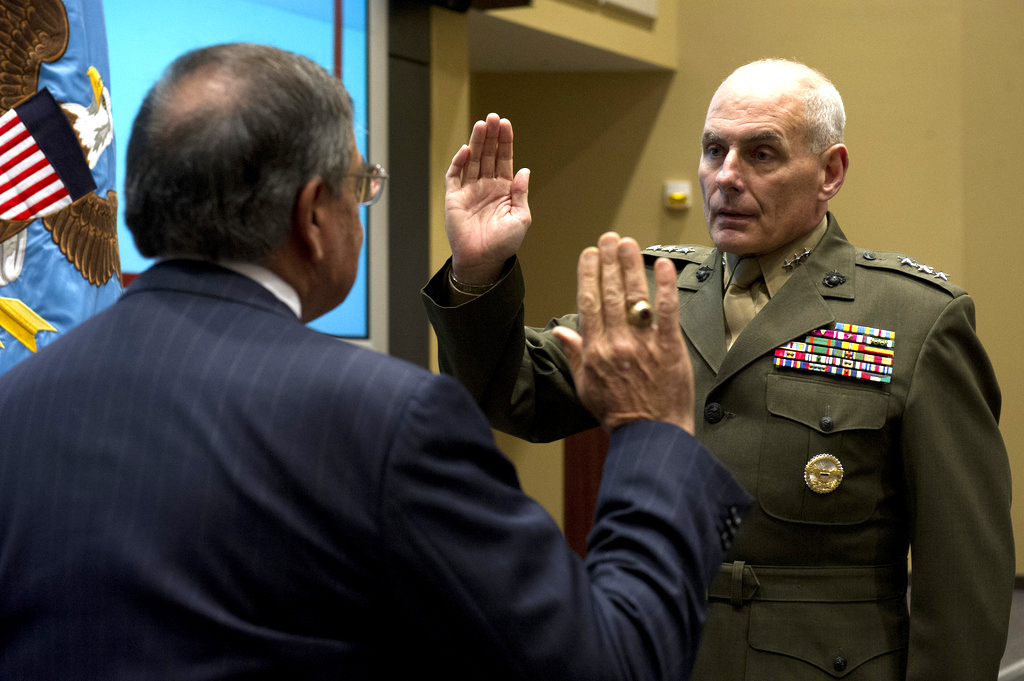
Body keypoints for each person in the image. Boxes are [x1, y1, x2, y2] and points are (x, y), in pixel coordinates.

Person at [0, 43, 751, 680]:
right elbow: (608, 662)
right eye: (362, 187)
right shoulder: (387, 419)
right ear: (314, 214)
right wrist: (654, 432)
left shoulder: (19, 401)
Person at [423, 59, 1014, 680]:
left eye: (762, 154)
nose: (726, 177)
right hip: (661, 655)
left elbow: (963, 578)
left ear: (830, 172)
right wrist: (478, 270)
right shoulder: (652, 293)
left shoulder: (913, 318)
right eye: (714, 150)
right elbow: (515, 392)